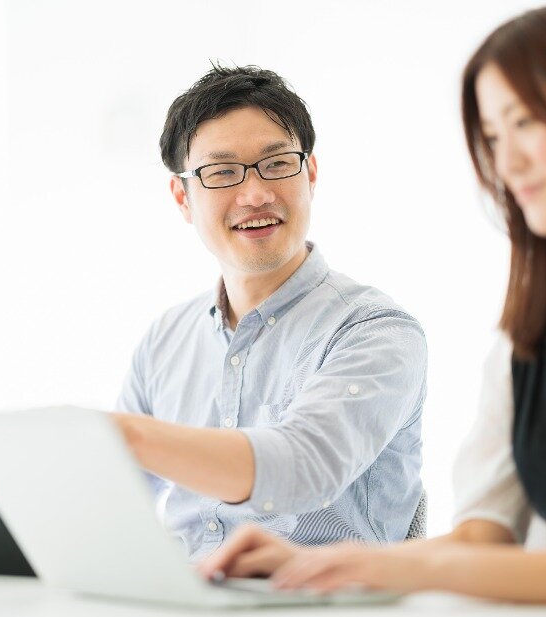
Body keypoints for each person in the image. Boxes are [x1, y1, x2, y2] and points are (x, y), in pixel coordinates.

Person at [198, 1, 546, 610]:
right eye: (493, 136)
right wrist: (313, 564)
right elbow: (482, 538)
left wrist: (366, 563)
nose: (506, 161)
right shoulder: (536, 328)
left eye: (525, 123)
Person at [111, 65, 427, 562]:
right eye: (221, 172)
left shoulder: (375, 331)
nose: (255, 195)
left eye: (277, 164)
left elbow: (304, 468)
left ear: (311, 174)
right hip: (184, 592)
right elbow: (112, 500)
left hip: (322, 596)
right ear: (182, 198)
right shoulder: (165, 339)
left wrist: (127, 436)